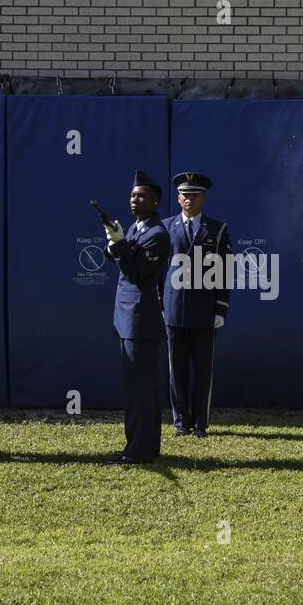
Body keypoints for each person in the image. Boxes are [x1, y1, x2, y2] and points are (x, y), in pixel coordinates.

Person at [103, 169, 170, 465]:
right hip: (129, 318)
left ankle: (139, 450)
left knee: (139, 390)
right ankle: (144, 446)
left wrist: (118, 244)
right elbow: (126, 253)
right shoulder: (138, 227)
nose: (135, 199)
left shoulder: (157, 233)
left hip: (141, 319)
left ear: (155, 201)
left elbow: (136, 271)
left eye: (142, 196)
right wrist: (114, 243)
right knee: (137, 387)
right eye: (132, 195)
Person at [163, 171, 232, 438]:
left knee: (203, 370)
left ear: (203, 198)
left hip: (204, 311)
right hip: (174, 309)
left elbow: (225, 272)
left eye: (194, 195)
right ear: (178, 198)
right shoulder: (167, 227)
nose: (188, 199)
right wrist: (161, 304)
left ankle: (201, 422)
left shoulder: (217, 229)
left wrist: (220, 308)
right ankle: (181, 422)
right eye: (184, 195)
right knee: (176, 369)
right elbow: (160, 271)